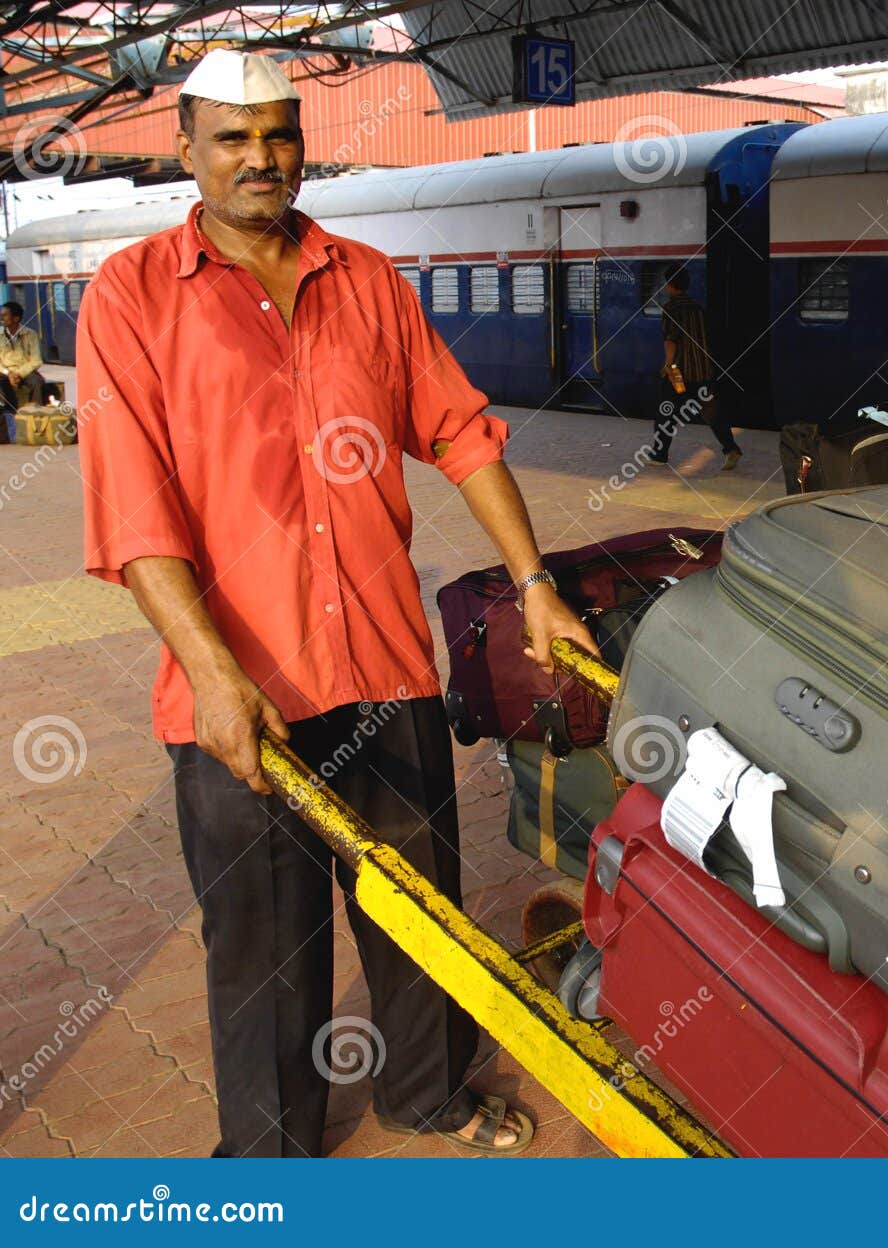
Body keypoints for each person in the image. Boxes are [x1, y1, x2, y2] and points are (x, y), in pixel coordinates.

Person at [77, 49, 598, 1158]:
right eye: (233, 137)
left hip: (382, 666)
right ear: (186, 149)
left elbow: (461, 434)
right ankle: (270, 1157)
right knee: (262, 941)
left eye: (279, 134)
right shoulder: (131, 295)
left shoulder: (367, 281)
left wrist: (535, 584)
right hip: (241, 688)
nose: (260, 157)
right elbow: (135, 514)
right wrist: (213, 677)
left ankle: (426, 1092)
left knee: (419, 914)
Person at [647, 268, 741, 470]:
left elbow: (671, 340)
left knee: (666, 411)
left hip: (678, 373)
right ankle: (731, 448)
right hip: (702, 371)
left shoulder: (671, 309)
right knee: (711, 411)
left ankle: (659, 455)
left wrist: (668, 365)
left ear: (670, 285)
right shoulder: (698, 309)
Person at [0, 301, 47, 423]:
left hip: (25, 371)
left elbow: (36, 361)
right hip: (4, 372)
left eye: (5, 315)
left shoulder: (31, 334)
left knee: (37, 382)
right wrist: (9, 373)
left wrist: (18, 374)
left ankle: (35, 417)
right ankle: (10, 416)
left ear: (16, 318)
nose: (1, 318)